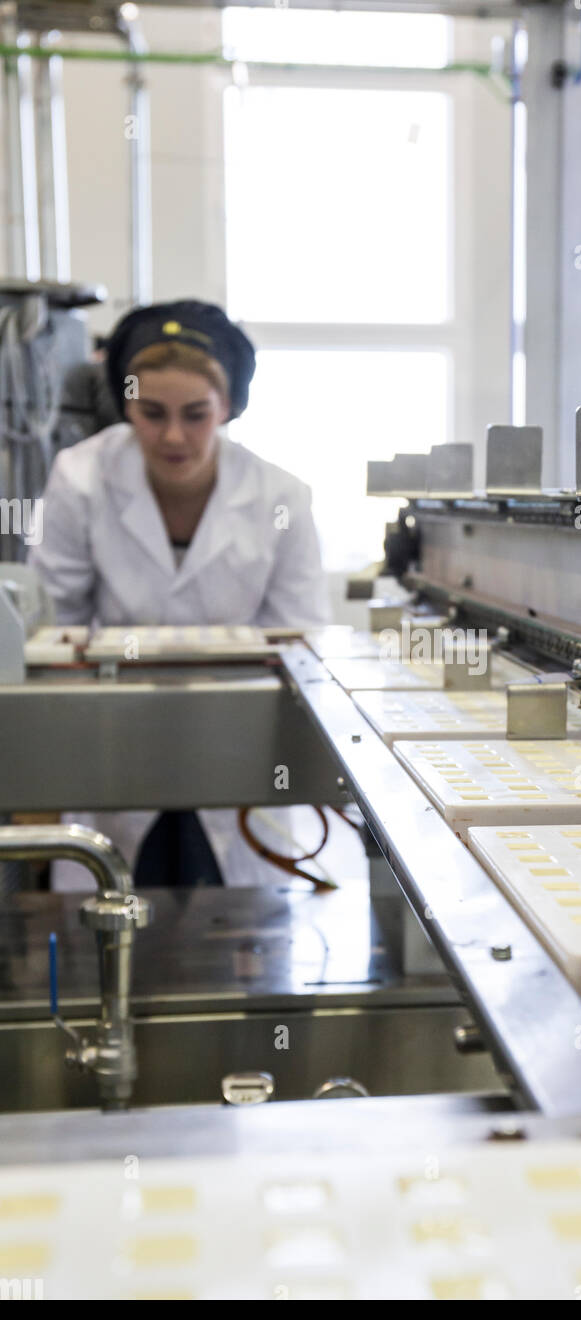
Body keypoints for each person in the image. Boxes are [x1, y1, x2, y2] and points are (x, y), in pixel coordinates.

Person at [29, 299, 330, 888]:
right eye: (151, 412)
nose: (173, 436)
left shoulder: (281, 495)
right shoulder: (79, 476)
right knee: (108, 925)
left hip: (241, 752)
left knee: (241, 942)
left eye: (195, 414)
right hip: (110, 746)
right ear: (125, 403)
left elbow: (299, 640)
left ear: (228, 408)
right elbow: (52, 628)